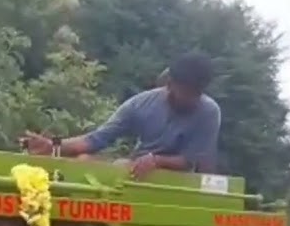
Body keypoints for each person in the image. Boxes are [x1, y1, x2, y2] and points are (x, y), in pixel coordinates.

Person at [21, 51, 221, 179]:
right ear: (170, 84)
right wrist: (54, 145)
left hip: (178, 180)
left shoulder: (209, 112)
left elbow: (191, 159)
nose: (191, 98)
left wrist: (156, 160)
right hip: (135, 171)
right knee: (83, 160)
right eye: (186, 92)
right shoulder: (141, 104)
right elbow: (96, 140)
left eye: (197, 92)